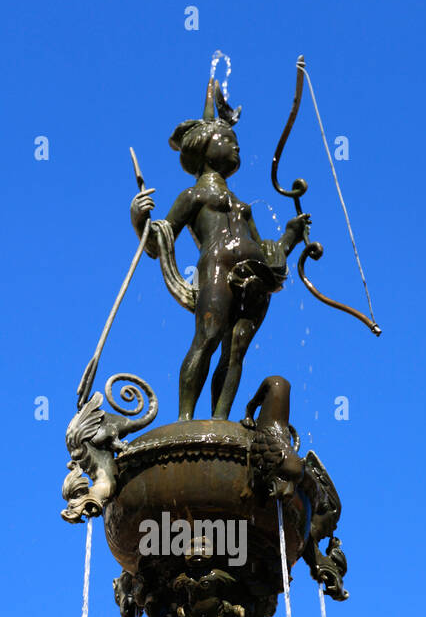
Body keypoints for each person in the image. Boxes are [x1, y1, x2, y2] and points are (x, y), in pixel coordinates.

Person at [131, 81, 309, 421]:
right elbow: (157, 243)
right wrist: (139, 220)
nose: (235, 147)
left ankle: (219, 420)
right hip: (217, 267)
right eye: (227, 140)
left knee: (236, 348)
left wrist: (290, 236)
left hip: (255, 278)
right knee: (209, 337)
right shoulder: (193, 196)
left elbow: (268, 254)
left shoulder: (244, 206)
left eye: (236, 141)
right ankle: (184, 420)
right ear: (202, 148)